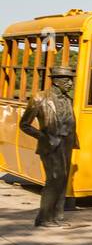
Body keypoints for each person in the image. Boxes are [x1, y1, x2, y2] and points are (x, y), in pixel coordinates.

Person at [20, 66, 79, 227]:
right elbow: (24, 125)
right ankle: (44, 218)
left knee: (62, 179)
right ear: (56, 80)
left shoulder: (68, 99)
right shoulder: (39, 98)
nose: (70, 84)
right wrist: (43, 137)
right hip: (50, 145)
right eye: (67, 80)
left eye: (71, 80)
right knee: (54, 179)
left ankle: (57, 216)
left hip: (66, 144)